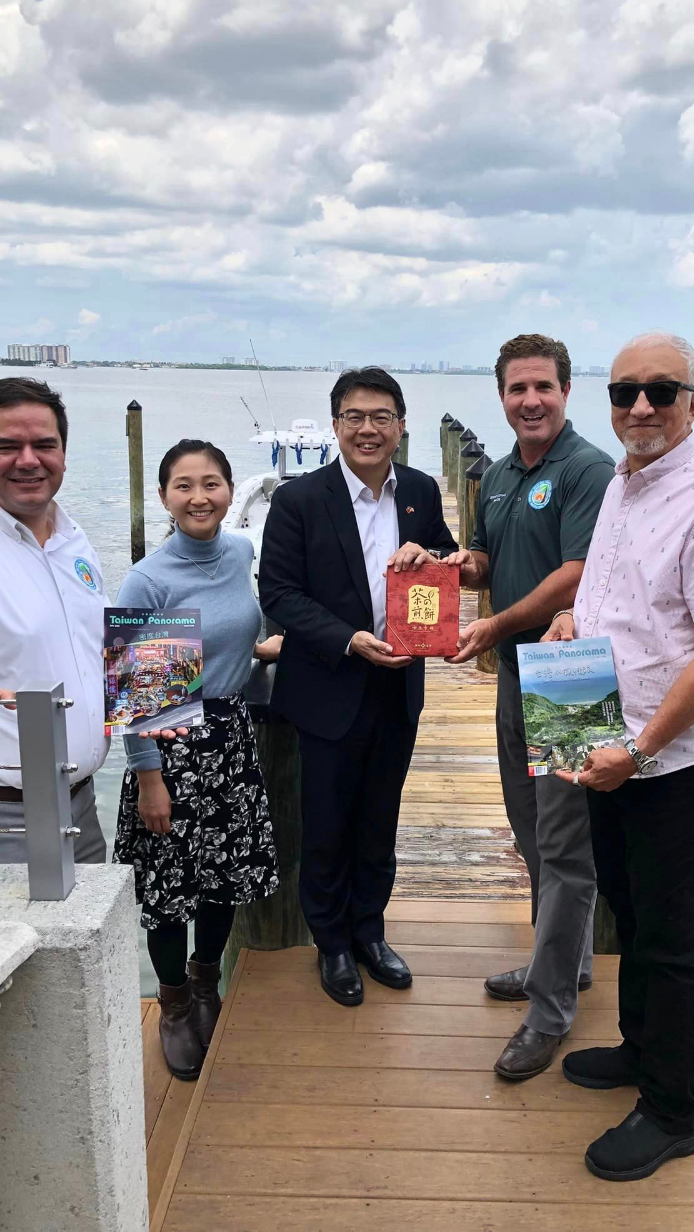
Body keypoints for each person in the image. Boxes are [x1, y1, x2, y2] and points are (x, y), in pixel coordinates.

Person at [550, 331, 694, 1182]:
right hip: (610, 744)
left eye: (661, 392)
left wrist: (637, 751)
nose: (640, 406)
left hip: (673, 762)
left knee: (675, 940)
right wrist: (575, 621)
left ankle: (676, 1112)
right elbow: (622, 600)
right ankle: (643, 1052)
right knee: (633, 916)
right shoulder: (623, 480)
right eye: (625, 391)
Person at [257, 368, 457, 1007]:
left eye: (381, 417)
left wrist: (431, 561)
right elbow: (280, 594)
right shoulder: (299, 500)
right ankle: (332, 943)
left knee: (379, 818)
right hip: (328, 685)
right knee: (325, 822)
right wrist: (348, 638)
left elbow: (448, 564)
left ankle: (370, 930)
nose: (368, 429)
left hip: (398, 687)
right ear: (337, 424)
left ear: (401, 425)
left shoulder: (421, 492)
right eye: (354, 417)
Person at [444, 334, 614, 1080]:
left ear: (566, 392)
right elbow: (485, 558)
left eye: (542, 386)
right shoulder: (506, 473)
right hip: (515, 674)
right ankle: (564, 962)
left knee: (567, 848)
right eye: (517, 389)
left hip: (574, 674)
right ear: (503, 397)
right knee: (528, 829)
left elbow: (575, 576)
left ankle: (549, 1013)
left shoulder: (589, 471)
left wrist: (494, 622)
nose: (530, 401)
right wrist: (456, 566)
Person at [113, 439, 280, 1080]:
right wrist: (148, 776)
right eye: (183, 485)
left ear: (230, 491)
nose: (199, 496)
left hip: (231, 733)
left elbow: (236, 633)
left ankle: (207, 980)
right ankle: (176, 1001)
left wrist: (264, 651)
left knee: (225, 874)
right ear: (164, 498)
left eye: (211, 483)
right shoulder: (150, 578)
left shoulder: (239, 552)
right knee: (168, 887)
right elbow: (136, 697)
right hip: (170, 740)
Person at [0, 377, 107, 863]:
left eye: (44, 445)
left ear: (63, 452)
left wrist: (158, 705)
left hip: (82, 806)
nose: (29, 460)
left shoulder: (74, 537)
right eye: (7, 446)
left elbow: (89, 648)